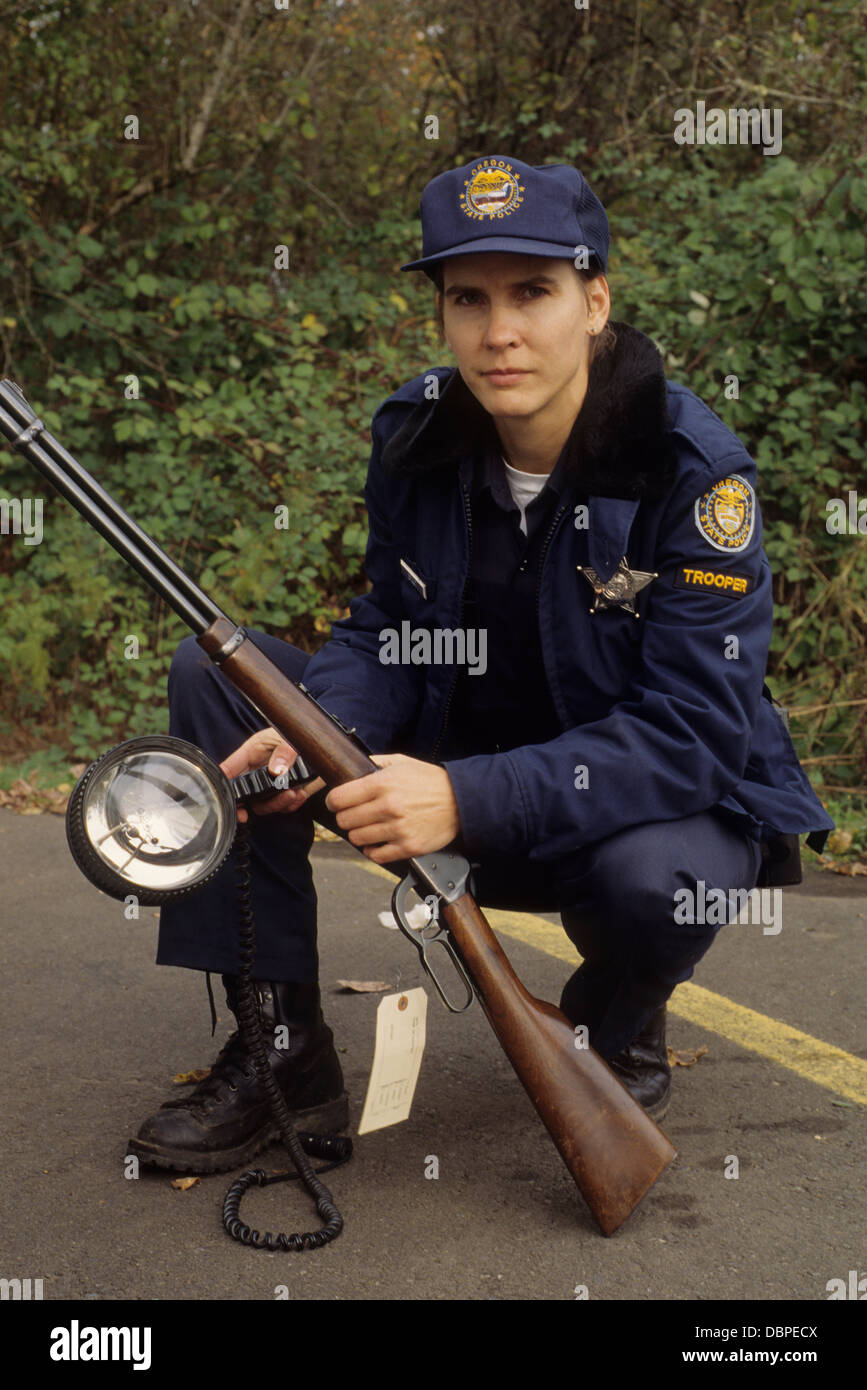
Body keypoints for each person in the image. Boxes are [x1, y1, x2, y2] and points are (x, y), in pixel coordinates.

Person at [129, 155, 833, 1172]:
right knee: (221, 683)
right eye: (468, 298)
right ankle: (280, 1045)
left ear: (594, 301)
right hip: (445, 778)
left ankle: (611, 1022)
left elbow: (697, 733)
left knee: (663, 880)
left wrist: (465, 794)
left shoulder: (692, 473)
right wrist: (324, 723)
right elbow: (385, 627)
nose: (498, 331)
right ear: (444, 315)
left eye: (533, 292)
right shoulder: (417, 437)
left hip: (622, 815)